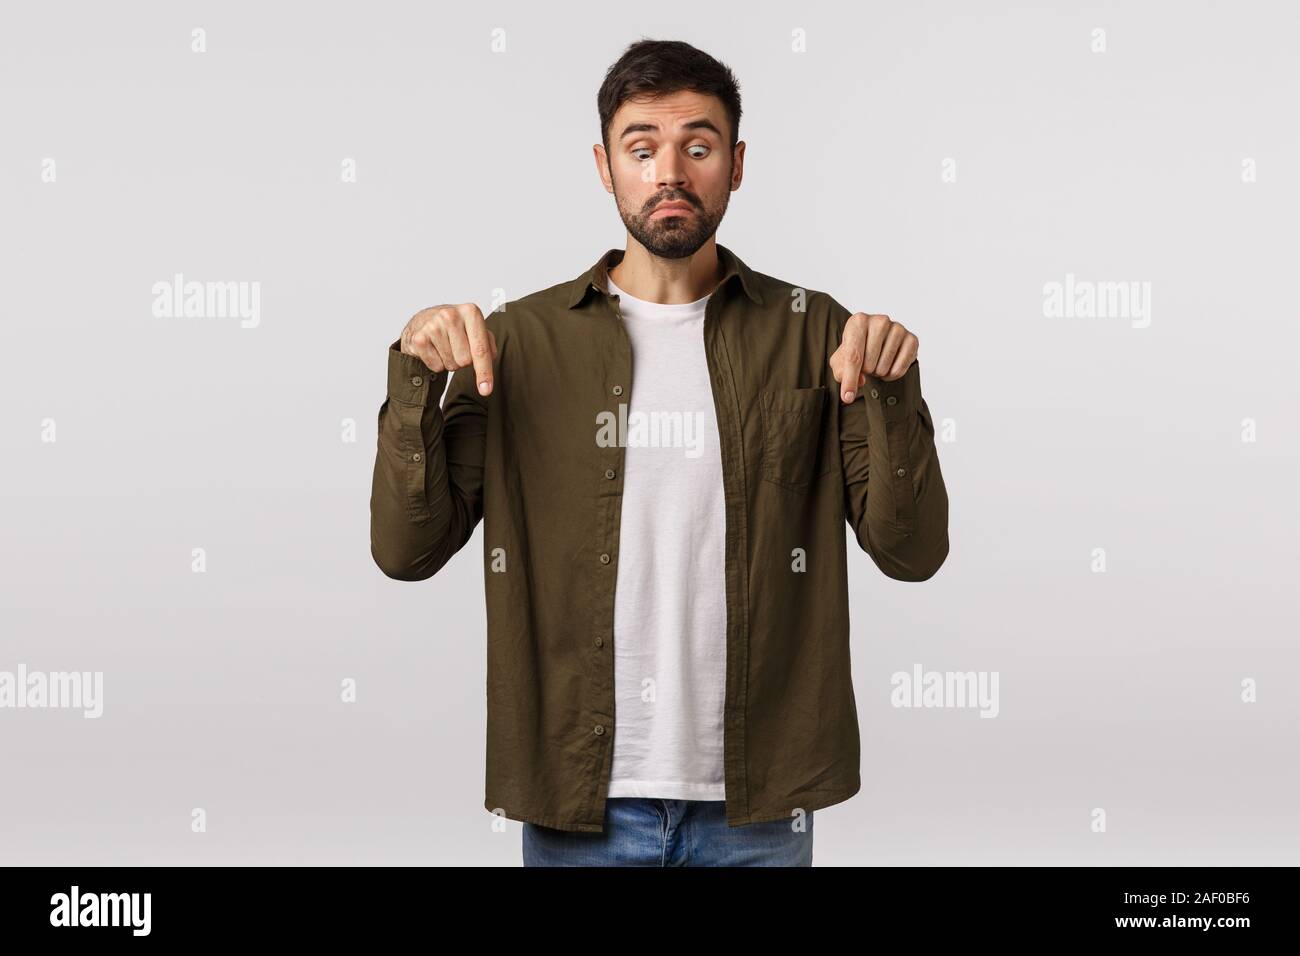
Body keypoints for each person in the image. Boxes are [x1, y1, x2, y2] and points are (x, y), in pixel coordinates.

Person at [370, 39, 950, 867]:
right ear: (605, 166)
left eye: (698, 146)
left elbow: (913, 551)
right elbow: (406, 550)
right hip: (580, 802)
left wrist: (893, 385)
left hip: (758, 809)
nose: (669, 171)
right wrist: (416, 376)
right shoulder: (516, 344)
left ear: (737, 164)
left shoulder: (817, 332)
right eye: (641, 148)